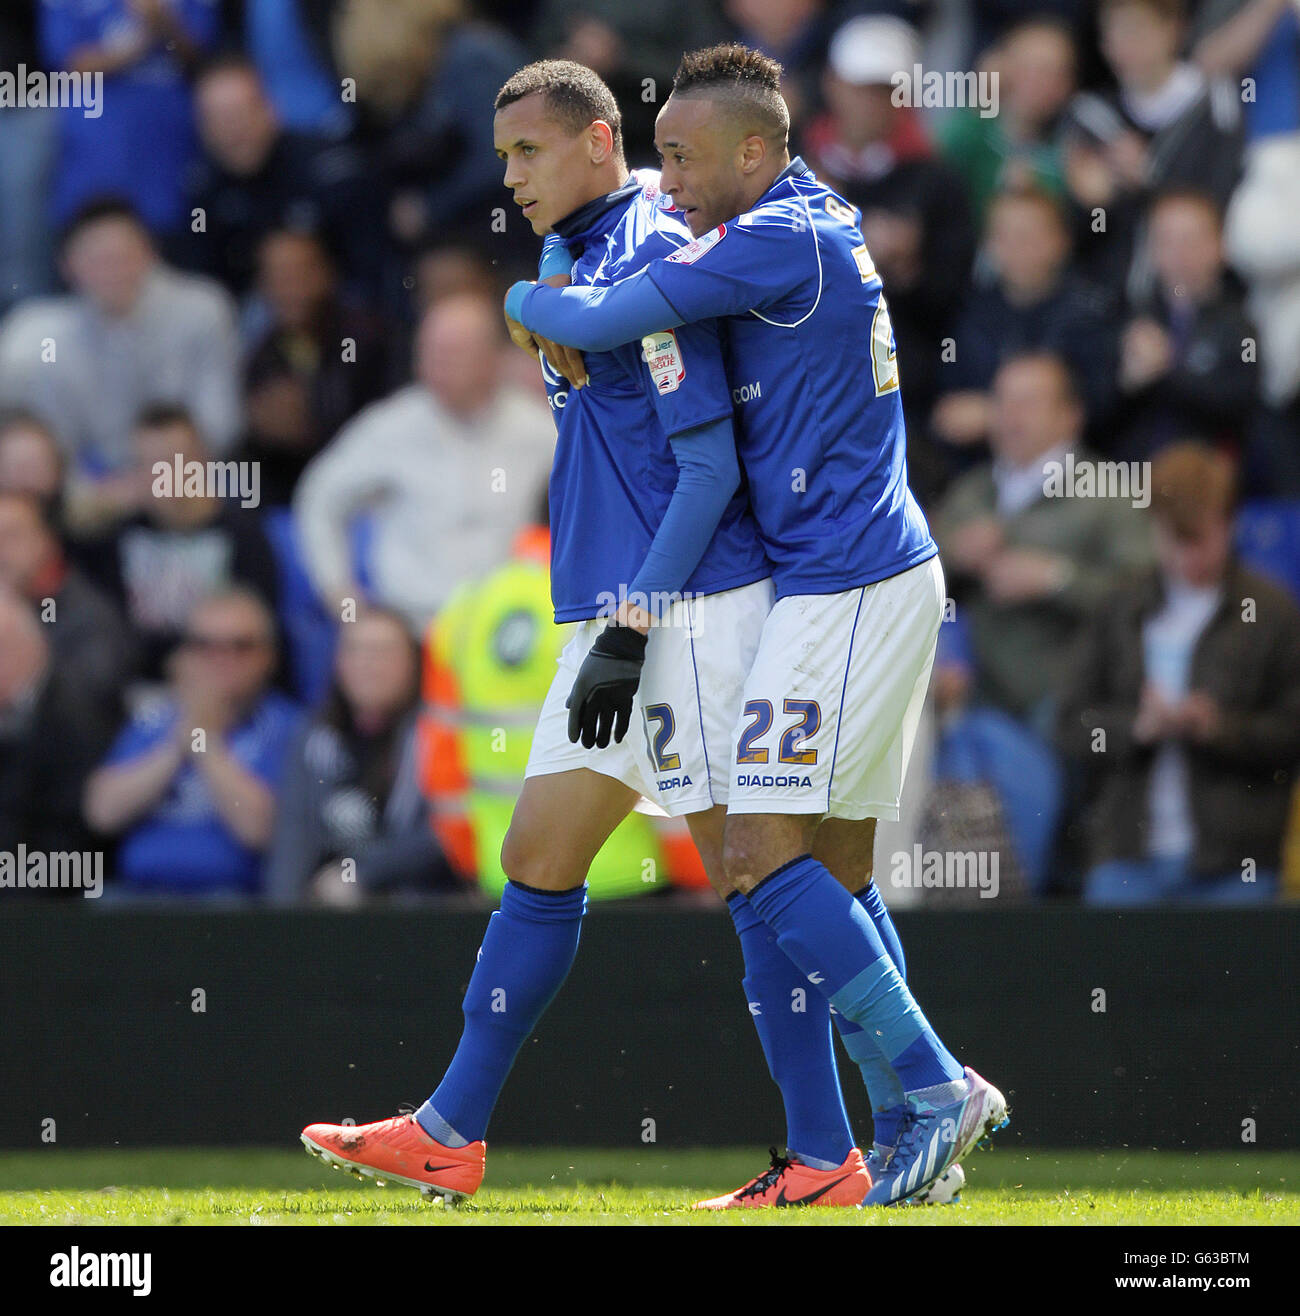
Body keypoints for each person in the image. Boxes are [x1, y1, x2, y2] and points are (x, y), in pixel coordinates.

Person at [502, 44, 1008, 1207]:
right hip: (857, 576)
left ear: (752, 151)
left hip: (841, 584)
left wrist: (528, 301)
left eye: (679, 157)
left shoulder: (781, 238)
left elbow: (615, 307)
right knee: (829, 864)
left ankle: (934, 1083)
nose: (662, 181)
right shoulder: (806, 219)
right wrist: (552, 290)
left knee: (753, 855)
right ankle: (902, 1128)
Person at [1059, 443, 1300, 904]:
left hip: (1236, 864)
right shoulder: (1118, 607)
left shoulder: (1273, 614)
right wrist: (1137, 726)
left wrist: (1219, 728)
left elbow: (1291, 731)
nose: (1186, 557)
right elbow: (1071, 724)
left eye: (1199, 540)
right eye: (1174, 539)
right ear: (1153, 528)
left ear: (1229, 525)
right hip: (1127, 858)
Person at [291, 292, 554, 631]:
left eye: (451, 354)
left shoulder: (537, 428)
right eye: (428, 351)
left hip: (505, 629)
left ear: (494, 357)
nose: (433, 365)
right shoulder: (390, 425)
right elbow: (319, 498)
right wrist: (343, 599)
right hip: (409, 628)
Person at [932, 352, 1154, 733]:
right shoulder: (971, 490)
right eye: (1002, 400)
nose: (1012, 415)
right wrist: (952, 555)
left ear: (1071, 416)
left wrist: (1058, 580)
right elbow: (906, 583)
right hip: (974, 694)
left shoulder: (1112, 493)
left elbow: (1146, 598)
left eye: (1029, 402)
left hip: (1071, 702)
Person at [0, 199, 241, 488]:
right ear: (66, 266)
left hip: (190, 479)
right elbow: (45, 444)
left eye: (123, 256)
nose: (112, 272)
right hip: (87, 494)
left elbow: (221, 425)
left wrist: (150, 483)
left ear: (151, 253)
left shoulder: (203, 309)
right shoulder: (36, 333)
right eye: (97, 260)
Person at [83, 588, 299, 898]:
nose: (222, 659)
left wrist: (206, 741)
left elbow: (260, 830)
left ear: (268, 657)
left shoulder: (288, 726)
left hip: (234, 901)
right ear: (184, 655)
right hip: (135, 895)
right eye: (205, 645)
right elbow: (101, 813)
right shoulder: (153, 719)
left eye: (240, 646)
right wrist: (179, 741)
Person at [265, 606, 455, 905]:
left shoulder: (439, 733)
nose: (368, 664)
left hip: (415, 912)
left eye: (383, 652)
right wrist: (285, 918)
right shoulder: (314, 738)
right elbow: (293, 837)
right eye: (355, 651)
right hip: (323, 916)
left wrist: (362, 875)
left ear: (415, 662)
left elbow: (447, 833)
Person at [0, 492, 138, 719]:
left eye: (12, 536)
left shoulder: (84, 614)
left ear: (47, 541)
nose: (1, 549)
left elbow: (92, 692)